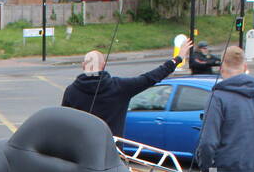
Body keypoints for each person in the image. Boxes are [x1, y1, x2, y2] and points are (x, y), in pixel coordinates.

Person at [61, 40, 190, 136]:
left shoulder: (71, 91)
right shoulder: (119, 87)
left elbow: (64, 123)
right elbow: (149, 78)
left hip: (82, 154)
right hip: (111, 155)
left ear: (84, 65)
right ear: (103, 65)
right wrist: (177, 59)